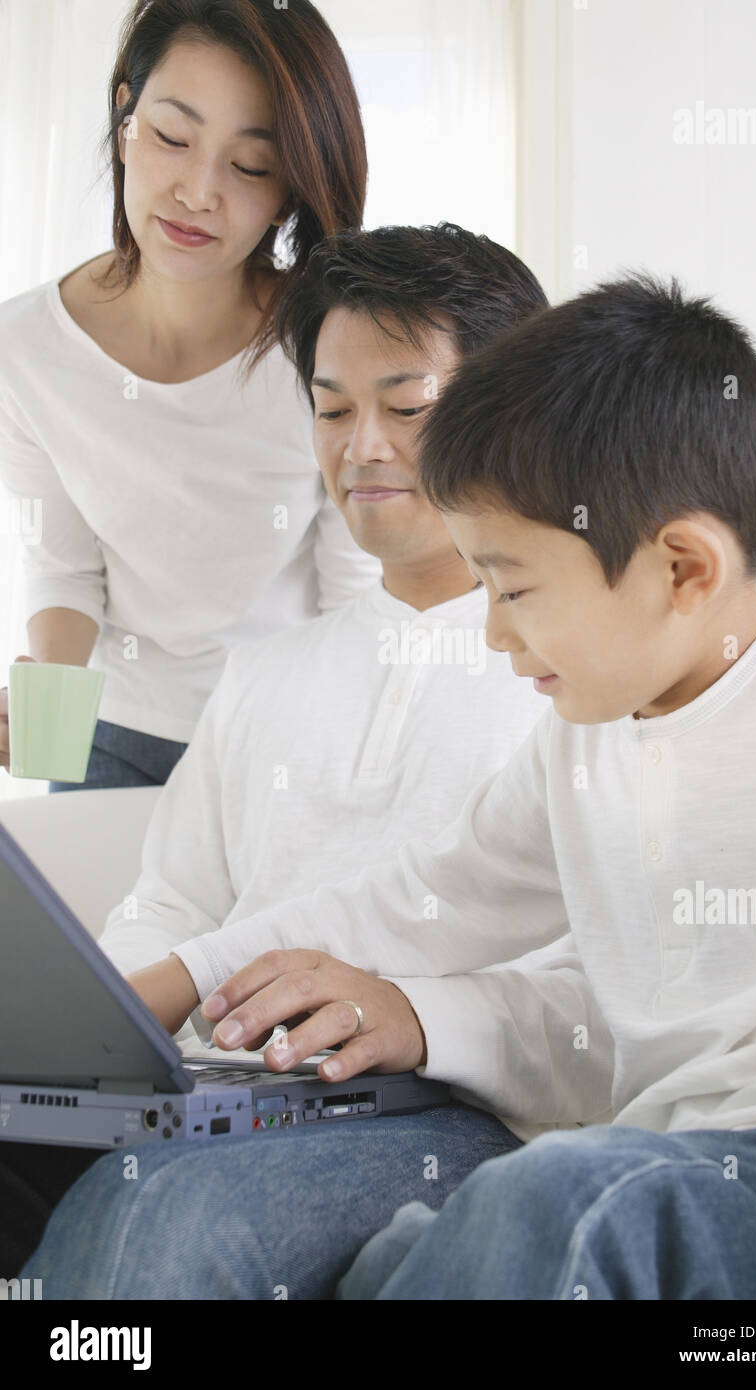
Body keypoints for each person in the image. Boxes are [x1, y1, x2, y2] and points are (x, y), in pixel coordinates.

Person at [19, 273, 756, 1301]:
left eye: (512, 588)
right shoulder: (578, 749)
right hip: (664, 1149)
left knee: (564, 1198)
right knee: (409, 1258)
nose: (496, 632)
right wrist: (163, 986)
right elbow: (414, 903)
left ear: (684, 570)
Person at [1, 221, 579, 1283]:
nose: (362, 445)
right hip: (220, 1092)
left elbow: (604, 997)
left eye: (406, 407)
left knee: (175, 1218)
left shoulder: (581, 673)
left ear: (513, 410)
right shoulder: (266, 673)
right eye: (330, 407)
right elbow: (173, 903)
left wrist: (421, 1016)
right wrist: (104, 1042)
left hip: (444, 1110)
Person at [0, 0, 379, 792]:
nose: (198, 192)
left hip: (285, 732)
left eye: (249, 166)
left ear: (289, 193)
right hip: (114, 729)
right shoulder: (25, 348)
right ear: (125, 116)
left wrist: (359, 753)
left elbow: (355, 581)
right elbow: (63, 570)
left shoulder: (329, 345)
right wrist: (43, 725)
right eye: (172, 138)